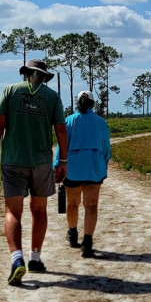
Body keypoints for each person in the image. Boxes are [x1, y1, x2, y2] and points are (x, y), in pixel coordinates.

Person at [0, 59, 67, 285]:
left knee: (13, 212)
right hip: (41, 162)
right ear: (44, 77)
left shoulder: (10, 91)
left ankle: (16, 259)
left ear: (26, 73)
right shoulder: (52, 97)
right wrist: (63, 161)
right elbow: (60, 129)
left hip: (13, 161)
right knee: (39, 210)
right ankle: (36, 258)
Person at [53, 90, 111, 258]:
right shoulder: (101, 122)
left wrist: (58, 165)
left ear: (77, 103)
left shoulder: (70, 121)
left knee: (72, 203)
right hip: (94, 167)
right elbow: (105, 147)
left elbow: (61, 146)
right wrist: (104, 163)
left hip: (73, 168)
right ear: (93, 104)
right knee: (91, 205)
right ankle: (88, 242)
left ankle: (72, 233)